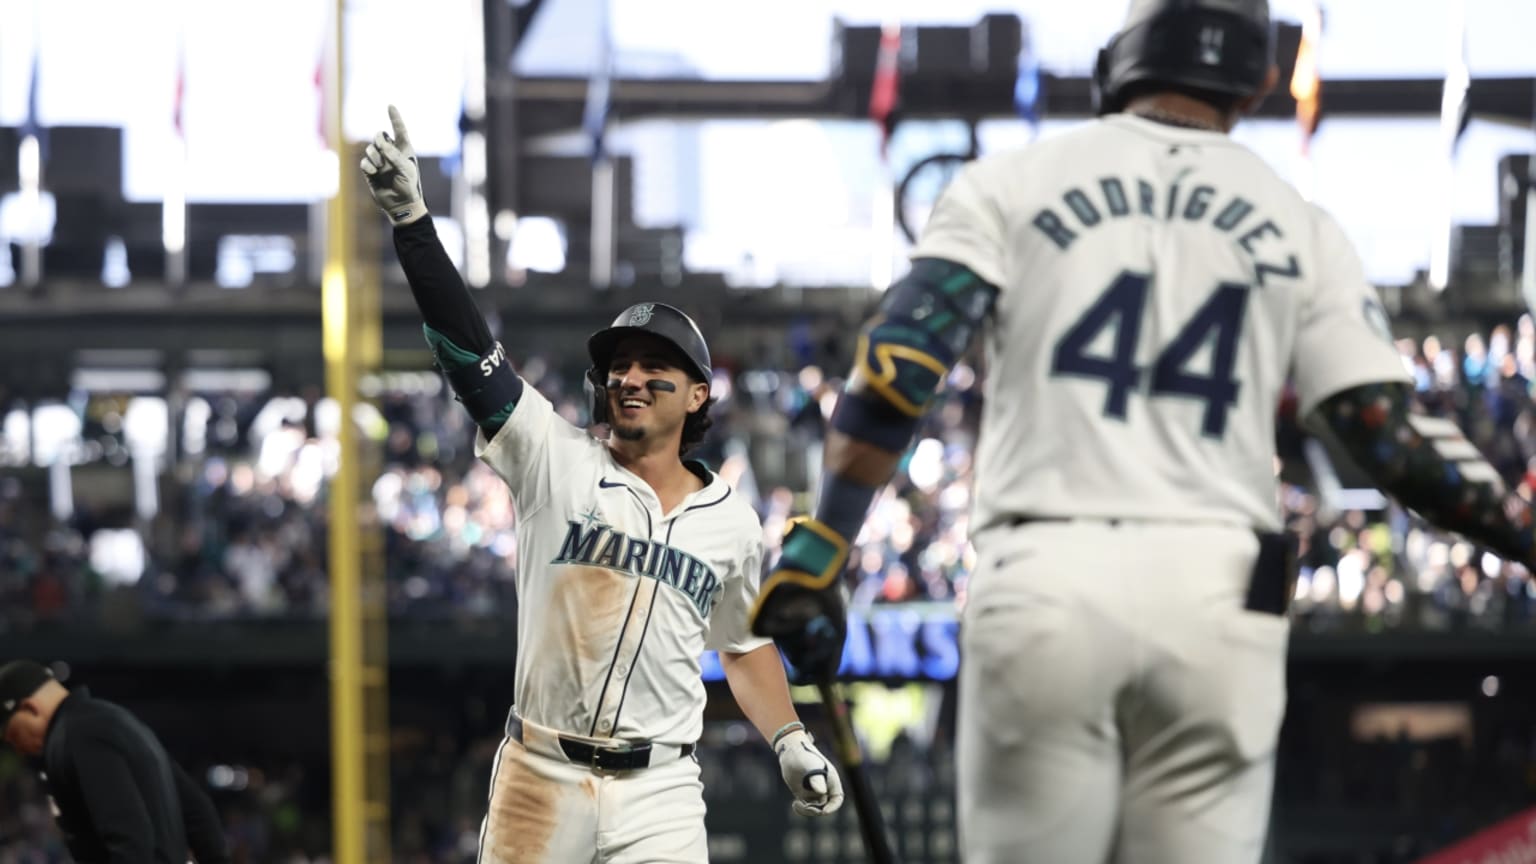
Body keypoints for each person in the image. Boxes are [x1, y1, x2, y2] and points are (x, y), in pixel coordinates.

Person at [749, 1, 1536, 862]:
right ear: (1260, 78)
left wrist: (826, 543)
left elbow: (900, 364)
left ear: (1118, 60)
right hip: (1218, 594)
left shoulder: (1012, 180)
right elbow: (1386, 437)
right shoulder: (1300, 221)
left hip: (1045, 578)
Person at [360, 106, 842, 863]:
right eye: (619, 365)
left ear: (696, 397)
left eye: (657, 368)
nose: (631, 377)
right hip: (540, 773)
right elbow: (468, 354)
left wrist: (789, 738)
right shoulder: (554, 460)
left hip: (660, 790)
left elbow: (744, 646)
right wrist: (415, 223)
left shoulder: (732, 522)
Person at [0, 660, 230, 864]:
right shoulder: (119, 719)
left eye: (13, 734)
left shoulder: (73, 735)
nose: (18, 748)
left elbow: (130, 840)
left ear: (29, 708)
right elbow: (199, 812)